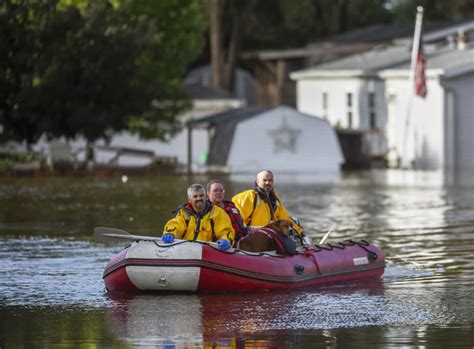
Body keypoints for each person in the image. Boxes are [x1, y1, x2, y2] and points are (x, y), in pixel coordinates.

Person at [162, 183, 235, 250]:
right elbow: (176, 225)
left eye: (201, 196)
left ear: (205, 197)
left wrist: (226, 239)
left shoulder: (217, 212)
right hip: (187, 251)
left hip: (210, 252)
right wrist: (170, 233)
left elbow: (226, 230)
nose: (199, 198)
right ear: (189, 200)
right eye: (195, 196)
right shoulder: (184, 213)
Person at [232, 170, 303, 234]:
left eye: (270, 180)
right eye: (264, 180)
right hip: (254, 236)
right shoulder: (249, 197)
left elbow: (285, 217)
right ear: (257, 182)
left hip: (272, 235)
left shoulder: (275, 198)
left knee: (295, 220)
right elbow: (237, 220)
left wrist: (300, 232)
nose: (267, 183)